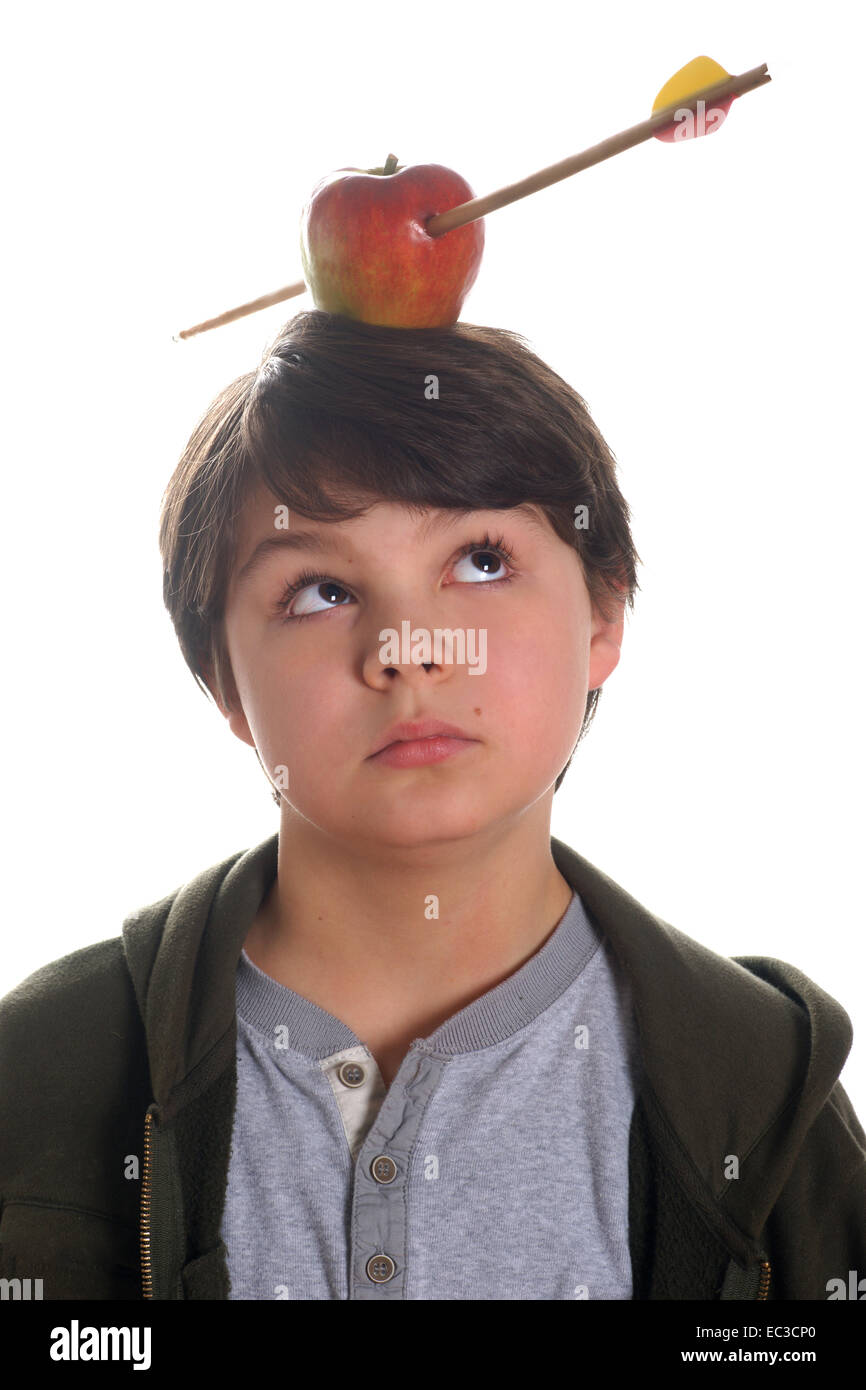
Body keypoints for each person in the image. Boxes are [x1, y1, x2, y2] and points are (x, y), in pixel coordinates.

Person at [1, 310, 864, 1301]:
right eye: (320, 588)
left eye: (480, 561)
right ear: (224, 684)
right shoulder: (41, 1075)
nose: (409, 647)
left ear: (603, 613)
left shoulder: (762, 1097)